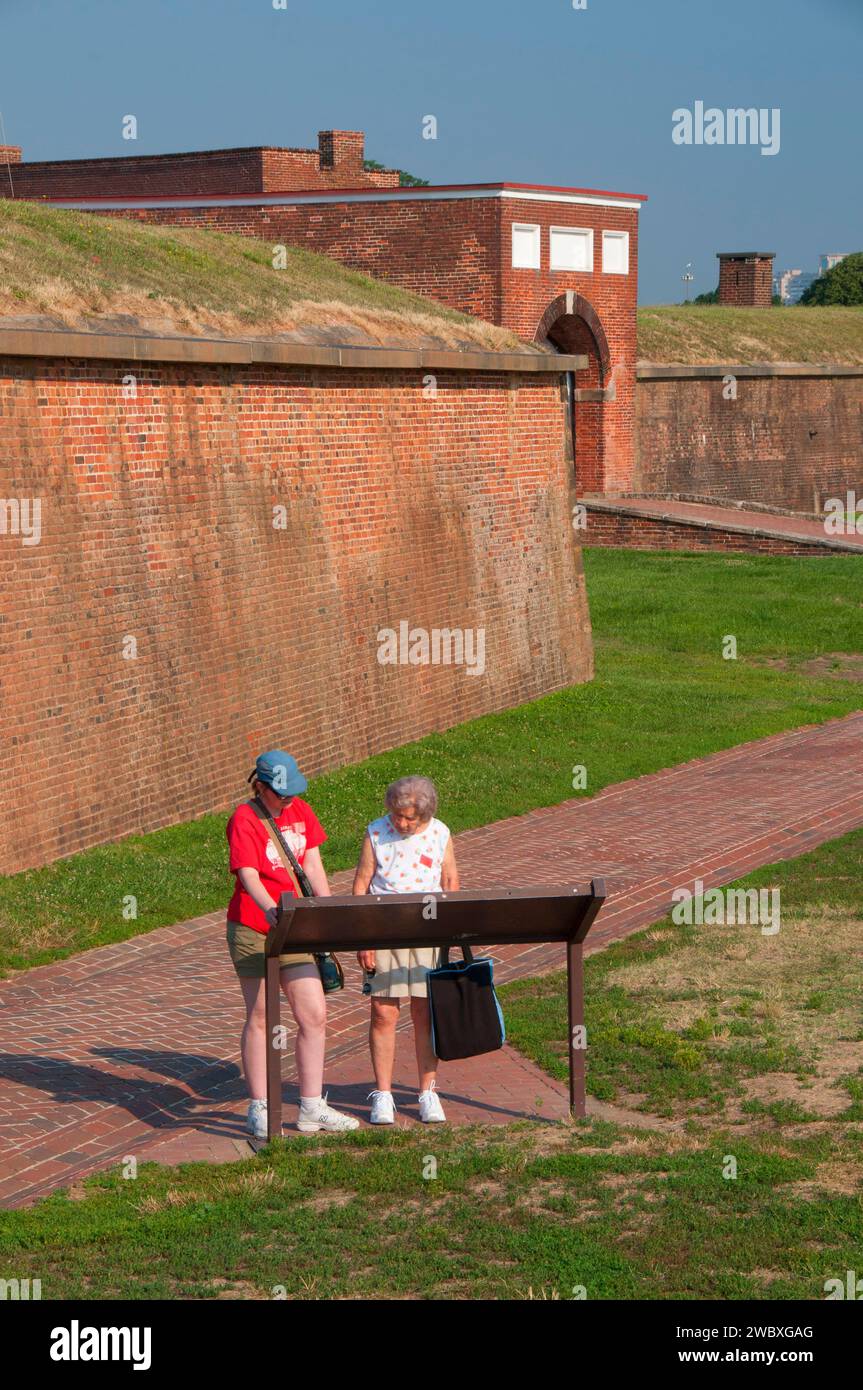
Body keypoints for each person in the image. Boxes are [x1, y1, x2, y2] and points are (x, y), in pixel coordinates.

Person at [226, 749, 359, 1138]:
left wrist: (324, 908)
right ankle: (260, 1106)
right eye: (280, 793)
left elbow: (313, 863)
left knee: (313, 1013)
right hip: (254, 927)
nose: (287, 799)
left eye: (291, 792)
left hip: (297, 927)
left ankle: (312, 1106)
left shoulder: (301, 811)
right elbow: (248, 874)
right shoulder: (244, 818)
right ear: (260, 786)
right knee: (263, 1015)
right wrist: (270, 909)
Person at [354, 775, 459, 1124]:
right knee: (384, 1012)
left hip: (427, 931)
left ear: (425, 815)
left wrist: (449, 930)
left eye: (410, 818)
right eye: (397, 815)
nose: (401, 823)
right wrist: (364, 938)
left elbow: (450, 882)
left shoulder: (440, 833)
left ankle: (428, 1092)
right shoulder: (375, 833)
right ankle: (383, 1095)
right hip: (384, 930)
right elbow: (361, 887)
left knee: (424, 1012)